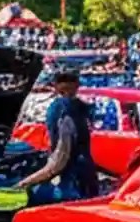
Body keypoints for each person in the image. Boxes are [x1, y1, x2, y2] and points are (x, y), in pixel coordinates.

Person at [18, 71, 98, 203]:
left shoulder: (62, 111)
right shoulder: (79, 107)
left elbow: (59, 162)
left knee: (6, 198)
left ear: (55, 86)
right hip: (86, 181)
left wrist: (24, 184)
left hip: (71, 188)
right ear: (77, 85)